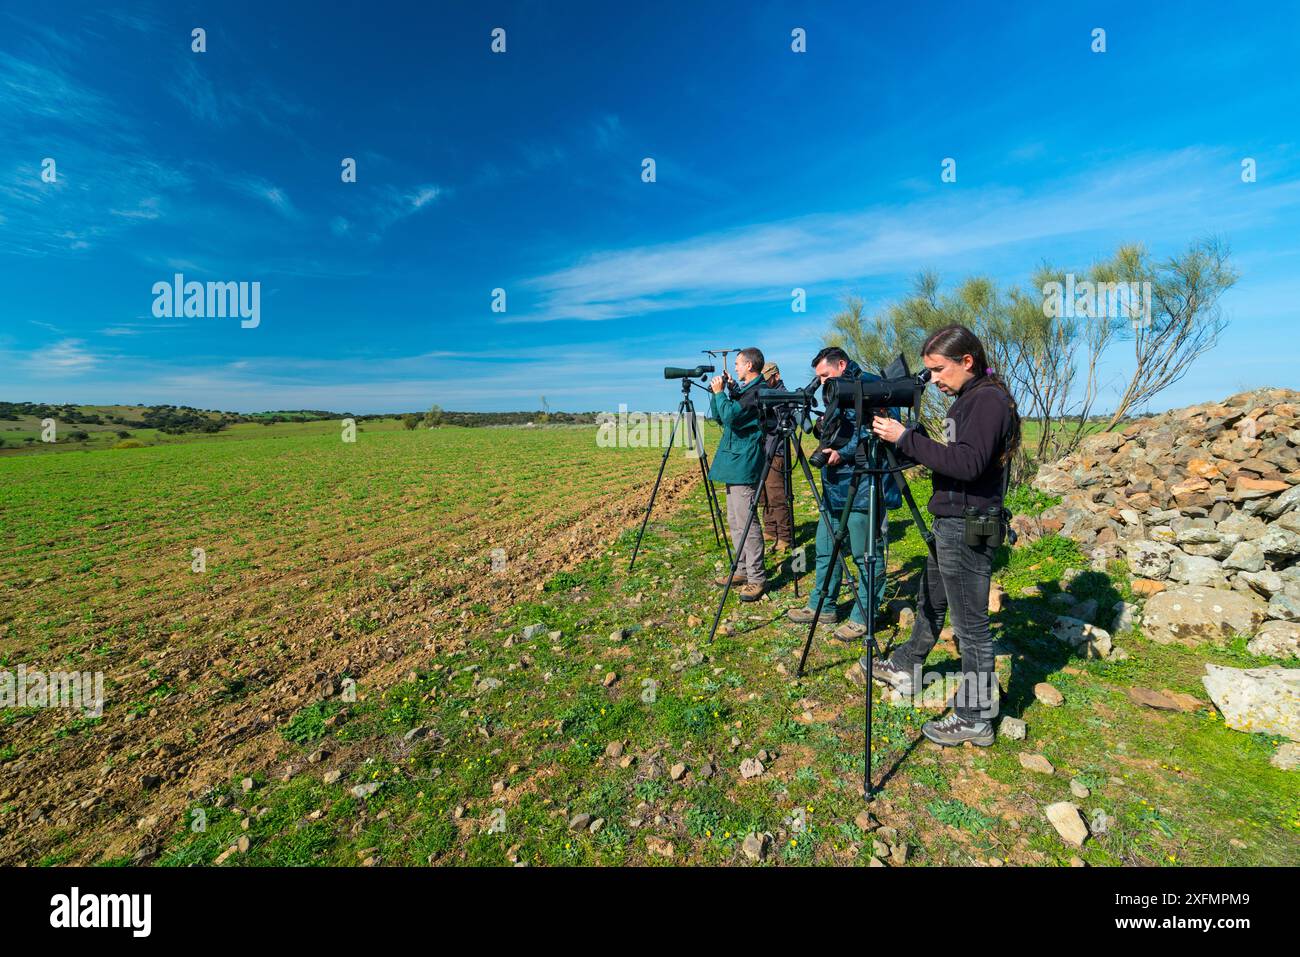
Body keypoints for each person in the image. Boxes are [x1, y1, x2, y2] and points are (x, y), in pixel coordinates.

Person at [862, 324, 1022, 747]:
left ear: (966, 361)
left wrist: (908, 439)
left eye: (938, 369)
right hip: (954, 520)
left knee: (971, 627)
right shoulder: (970, 398)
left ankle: (974, 716)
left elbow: (968, 465)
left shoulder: (987, 400)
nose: (933, 379)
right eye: (929, 371)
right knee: (930, 598)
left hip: (969, 525)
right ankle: (907, 664)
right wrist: (903, 442)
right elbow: (953, 459)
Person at [785, 347, 901, 641]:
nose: (822, 381)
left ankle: (864, 616)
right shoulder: (835, 391)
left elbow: (880, 432)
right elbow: (845, 428)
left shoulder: (874, 386)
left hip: (862, 484)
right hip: (834, 486)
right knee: (826, 548)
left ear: (841, 364)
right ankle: (822, 606)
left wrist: (844, 453)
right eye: (818, 378)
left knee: (866, 556)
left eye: (825, 374)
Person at [709, 347, 768, 601]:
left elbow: (732, 416)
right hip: (735, 462)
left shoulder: (756, 392)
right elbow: (721, 417)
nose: (735, 368)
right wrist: (721, 394)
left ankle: (756, 577)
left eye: (738, 364)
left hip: (744, 463)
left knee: (747, 523)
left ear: (750, 366)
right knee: (735, 521)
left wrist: (722, 394)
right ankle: (742, 569)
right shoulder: (745, 391)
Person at [758, 361, 793, 554]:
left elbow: (783, 423)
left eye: (767, 379)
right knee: (763, 495)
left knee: (776, 495)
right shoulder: (765, 393)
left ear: (776, 376)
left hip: (776, 452)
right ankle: (771, 530)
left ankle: (785, 536)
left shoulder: (783, 396)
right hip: (763, 450)